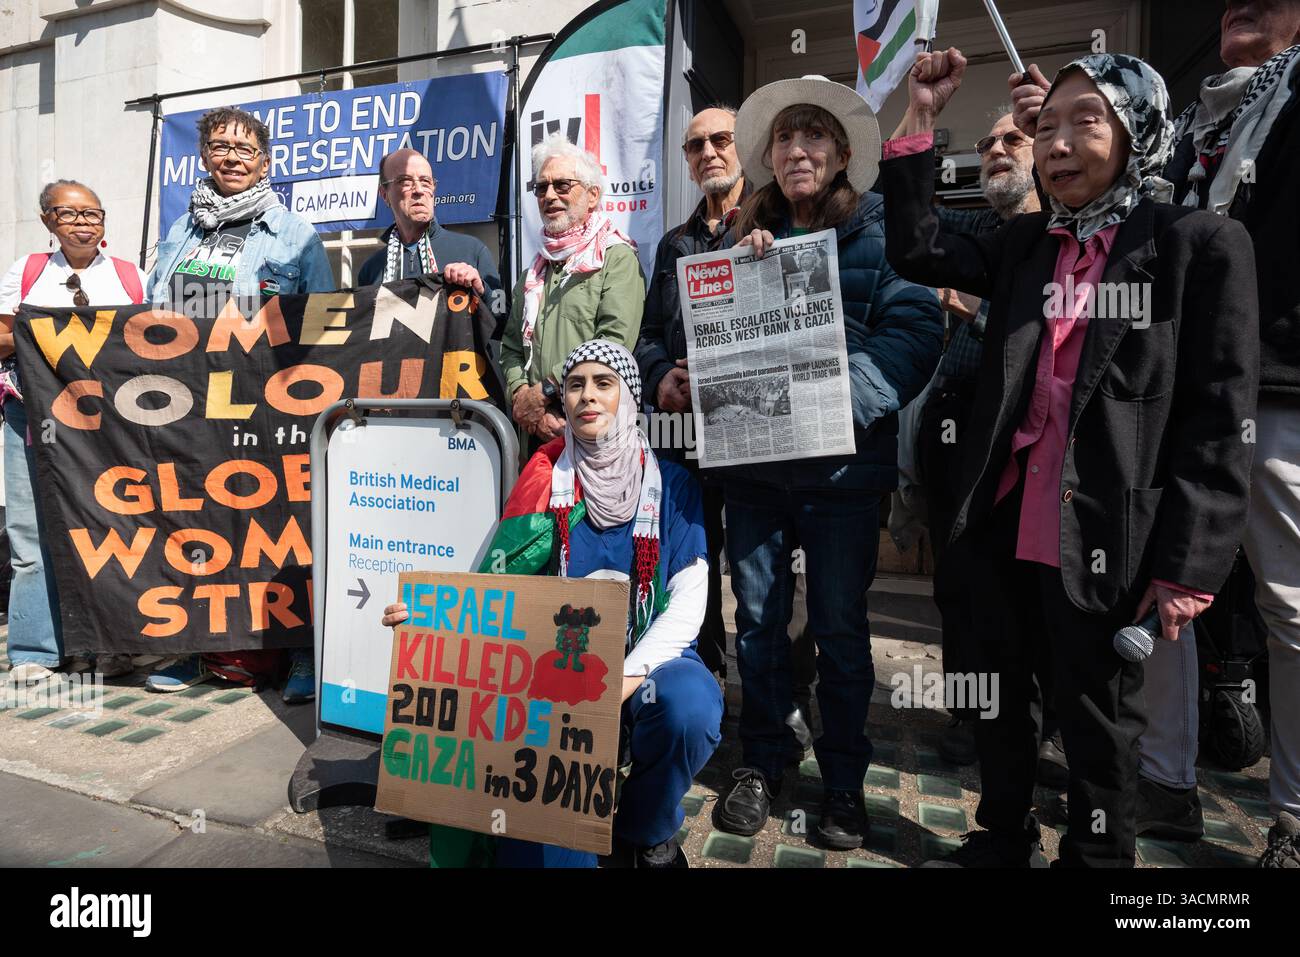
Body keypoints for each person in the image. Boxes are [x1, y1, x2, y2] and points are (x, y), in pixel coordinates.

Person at [882, 49, 1258, 867]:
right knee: (998, 695)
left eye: (1085, 121)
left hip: (1103, 530)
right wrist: (919, 114)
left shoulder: (1200, 245)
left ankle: (1096, 859)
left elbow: (1219, 421)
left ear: (1139, 131)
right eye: (1043, 125)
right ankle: (1001, 831)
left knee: (1097, 718)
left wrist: (1190, 566)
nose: (1056, 143)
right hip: (1003, 519)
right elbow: (915, 248)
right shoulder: (1025, 246)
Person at [1012, 0, 1300, 865]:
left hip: (1282, 385)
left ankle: (1293, 810)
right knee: (1155, 597)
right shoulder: (1194, 124)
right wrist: (1065, 127)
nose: (1237, 5)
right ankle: (1163, 785)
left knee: (1288, 608)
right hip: (1162, 396)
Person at [709, 75, 943, 850]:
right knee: (759, 624)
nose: (798, 149)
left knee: (841, 628)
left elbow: (912, 329)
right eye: (784, 138)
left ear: (843, 153)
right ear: (769, 156)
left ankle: (844, 778)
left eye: (813, 136)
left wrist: (844, 403)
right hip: (755, 471)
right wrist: (738, 284)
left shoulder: (882, 227)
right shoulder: (742, 234)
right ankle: (763, 761)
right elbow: (712, 339)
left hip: (843, 473)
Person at [382, 340, 721, 868]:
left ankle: (641, 828)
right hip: (553, 674)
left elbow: (687, 609)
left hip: (645, 665)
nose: (587, 396)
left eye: (603, 384)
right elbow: (494, 597)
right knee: (541, 850)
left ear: (629, 400)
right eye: (576, 385)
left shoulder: (674, 487)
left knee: (688, 708)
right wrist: (429, 618)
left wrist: (619, 684)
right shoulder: (542, 482)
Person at [146, 106, 333, 700]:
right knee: (193, 526)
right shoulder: (179, 232)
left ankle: (302, 653)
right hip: (191, 413)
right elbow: (151, 320)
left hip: (268, 411)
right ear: (203, 156)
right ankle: (197, 650)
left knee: (284, 528)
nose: (231, 157)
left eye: (244, 148)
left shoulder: (297, 236)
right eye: (220, 146)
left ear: (266, 160)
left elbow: (327, 329)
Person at [0, 180, 148, 683]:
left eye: (93, 213)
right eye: (70, 214)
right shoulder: (27, 272)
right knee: (30, 531)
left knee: (110, 529)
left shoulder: (131, 277)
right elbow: (2, 336)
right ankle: (35, 650)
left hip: (109, 425)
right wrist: (41, 333)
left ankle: (112, 646)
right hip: (30, 413)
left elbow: (149, 342)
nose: (84, 222)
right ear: (48, 221)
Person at [634, 106, 748, 681]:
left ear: (742, 144)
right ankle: (702, 679)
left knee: (764, 575)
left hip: (757, 435)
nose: (708, 152)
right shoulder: (672, 244)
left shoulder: (772, 226)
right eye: (695, 145)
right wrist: (659, 377)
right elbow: (648, 335)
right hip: (682, 438)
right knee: (692, 562)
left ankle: (785, 699)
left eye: (720, 139)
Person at [499, 135, 645, 454]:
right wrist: (523, 397)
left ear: (592, 196)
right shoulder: (535, 272)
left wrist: (545, 392)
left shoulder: (615, 258)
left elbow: (613, 345)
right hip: (534, 439)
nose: (550, 195)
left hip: (592, 440)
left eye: (562, 185)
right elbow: (510, 347)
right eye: (541, 188)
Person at [354, 148, 501, 313]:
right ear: (384, 194)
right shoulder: (372, 270)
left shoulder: (472, 251)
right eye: (405, 181)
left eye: (425, 182)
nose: (418, 190)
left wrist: (481, 289)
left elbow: (503, 317)